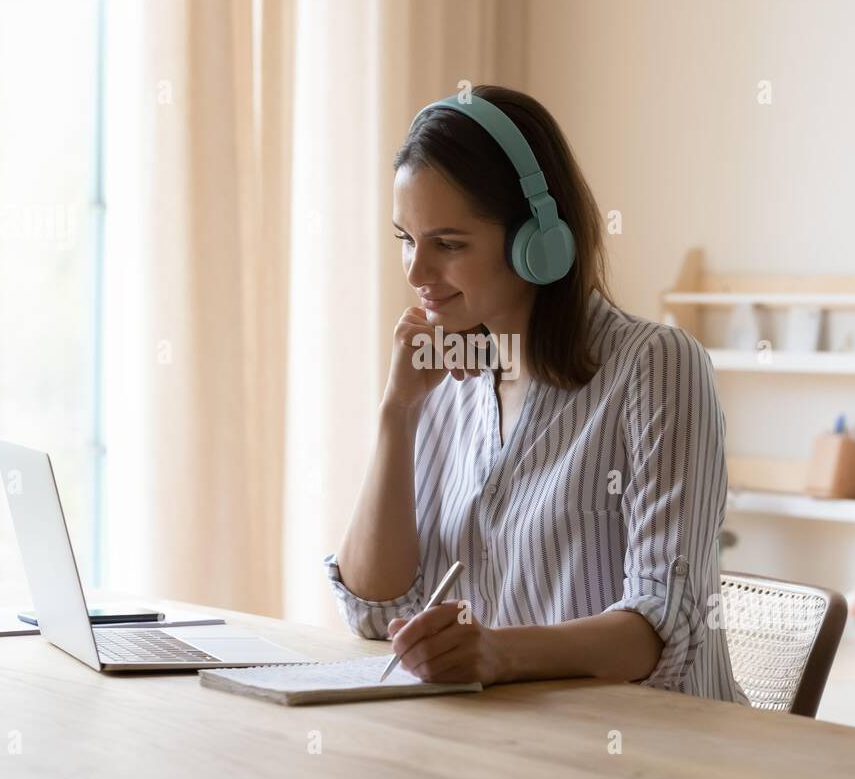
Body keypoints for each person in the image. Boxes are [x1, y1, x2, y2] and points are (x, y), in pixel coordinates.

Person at [321, 84, 749, 704]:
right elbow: (374, 607)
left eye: (448, 243)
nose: (416, 273)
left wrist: (497, 652)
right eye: (406, 240)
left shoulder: (653, 366)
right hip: (505, 749)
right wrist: (398, 412)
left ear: (539, 243)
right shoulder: (444, 377)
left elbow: (662, 628)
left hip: (651, 757)